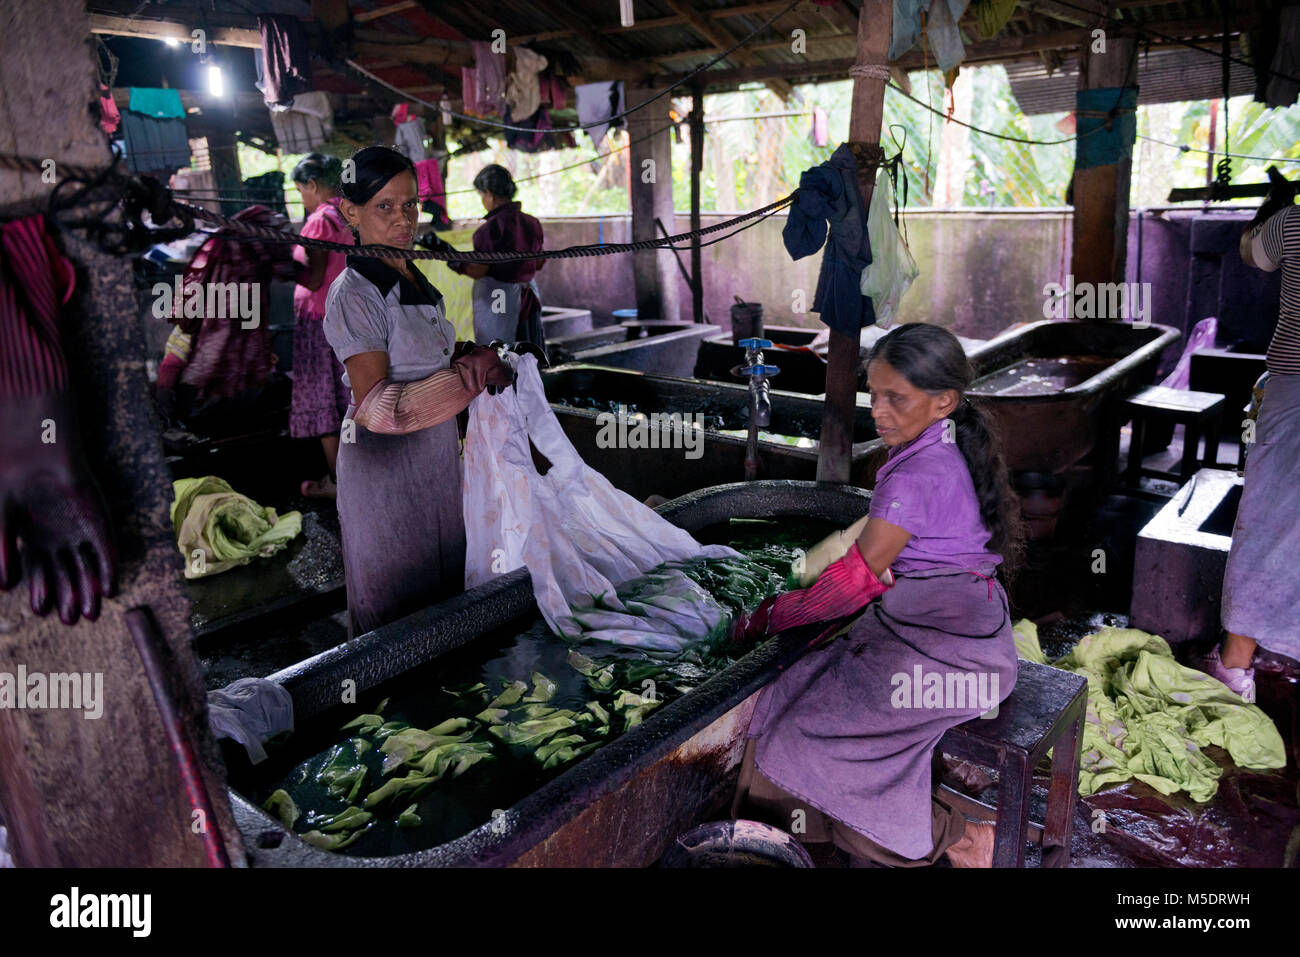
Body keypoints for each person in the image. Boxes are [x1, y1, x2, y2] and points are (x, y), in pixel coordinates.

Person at [729, 322, 1024, 868]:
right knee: (790, 689)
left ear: (943, 402)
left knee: (802, 742)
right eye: (875, 394)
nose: (879, 412)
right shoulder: (943, 443)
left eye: (896, 398)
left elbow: (856, 581)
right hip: (953, 631)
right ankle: (811, 841)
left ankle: (959, 839)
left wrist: (772, 615)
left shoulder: (914, 475)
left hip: (954, 661)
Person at [322, 147, 513, 637]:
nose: (403, 219)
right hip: (384, 468)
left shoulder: (412, 275)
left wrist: (468, 354)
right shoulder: (354, 293)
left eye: (411, 205)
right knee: (396, 611)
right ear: (350, 211)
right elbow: (381, 410)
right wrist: (469, 377)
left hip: (434, 457)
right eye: (384, 206)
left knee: (443, 592)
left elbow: (425, 358)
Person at [1213, 170, 1300, 700]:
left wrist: (1271, 208)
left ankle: (1235, 662)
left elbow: (1253, 253)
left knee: (1269, 519)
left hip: (1296, 384)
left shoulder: (1294, 220)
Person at [289, 153, 353, 499]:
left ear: (312, 185)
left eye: (301, 191)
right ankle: (358, 475)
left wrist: (281, 263)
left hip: (318, 322)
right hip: (347, 317)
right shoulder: (348, 215)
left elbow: (313, 279)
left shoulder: (318, 222)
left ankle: (338, 480)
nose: (302, 198)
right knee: (348, 398)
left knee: (323, 398)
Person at [444, 164, 547, 350]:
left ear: (489, 194)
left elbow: (478, 270)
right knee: (528, 351)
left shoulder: (490, 229)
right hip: (529, 297)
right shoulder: (532, 223)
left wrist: (453, 260)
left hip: (499, 297)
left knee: (498, 353)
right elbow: (538, 263)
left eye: (482, 196)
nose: (483, 201)